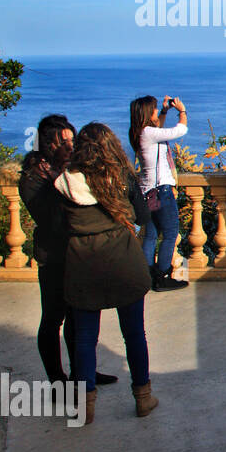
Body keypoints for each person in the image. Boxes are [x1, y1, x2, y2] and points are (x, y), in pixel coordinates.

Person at [54, 122, 159, 424]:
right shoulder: (123, 177)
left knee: (85, 338)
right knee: (134, 334)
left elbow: (60, 225)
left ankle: (85, 407)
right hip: (123, 261)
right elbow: (141, 216)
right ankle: (143, 398)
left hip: (83, 263)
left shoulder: (65, 183)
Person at [18, 114, 117, 387]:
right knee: (52, 319)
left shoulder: (71, 170)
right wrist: (62, 177)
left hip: (79, 255)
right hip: (53, 258)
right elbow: (53, 218)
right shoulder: (33, 177)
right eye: (65, 142)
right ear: (48, 144)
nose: (71, 146)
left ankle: (83, 372)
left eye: (73, 140)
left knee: (79, 318)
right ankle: (56, 380)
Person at [129, 94, 189, 291]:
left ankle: (148, 277)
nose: (156, 111)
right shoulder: (149, 133)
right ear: (147, 113)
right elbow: (181, 129)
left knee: (151, 236)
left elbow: (158, 129)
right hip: (161, 190)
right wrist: (182, 111)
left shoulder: (139, 132)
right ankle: (162, 276)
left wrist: (164, 111)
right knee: (171, 233)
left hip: (148, 191)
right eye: (154, 109)